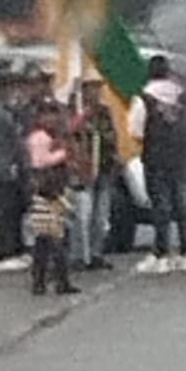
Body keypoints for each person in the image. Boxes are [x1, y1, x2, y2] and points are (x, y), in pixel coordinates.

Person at [129, 55, 186, 275]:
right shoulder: (182, 97)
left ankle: (162, 252)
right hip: (180, 156)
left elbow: (135, 130)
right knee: (181, 203)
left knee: (160, 205)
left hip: (155, 157)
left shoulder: (144, 98)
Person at [26, 98, 80, 296]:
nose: (52, 118)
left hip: (54, 191)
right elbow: (40, 162)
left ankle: (48, 280)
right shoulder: (39, 138)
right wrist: (63, 154)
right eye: (47, 114)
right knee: (51, 239)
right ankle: (52, 280)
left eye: (54, 113)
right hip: (45, 193)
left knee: (50, 238)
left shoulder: (52, 137)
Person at [68, 71, 118, 271]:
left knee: (101, 215)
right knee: (82, 215)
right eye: (92, 87)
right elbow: (69, 135)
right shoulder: (74, 111)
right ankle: (79, 255)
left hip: (103, 167)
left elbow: (111, 136)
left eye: (98, 88)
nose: (96, 92)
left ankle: (97, 253)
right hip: (83, 169)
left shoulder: (104, 112)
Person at [0, 73, 32, 273]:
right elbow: (14, 135)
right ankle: (6, 251)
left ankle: (15, 248)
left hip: (9, 167)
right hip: (2, 168)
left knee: (14, 209)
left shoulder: (4, 110)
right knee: (5, 211)